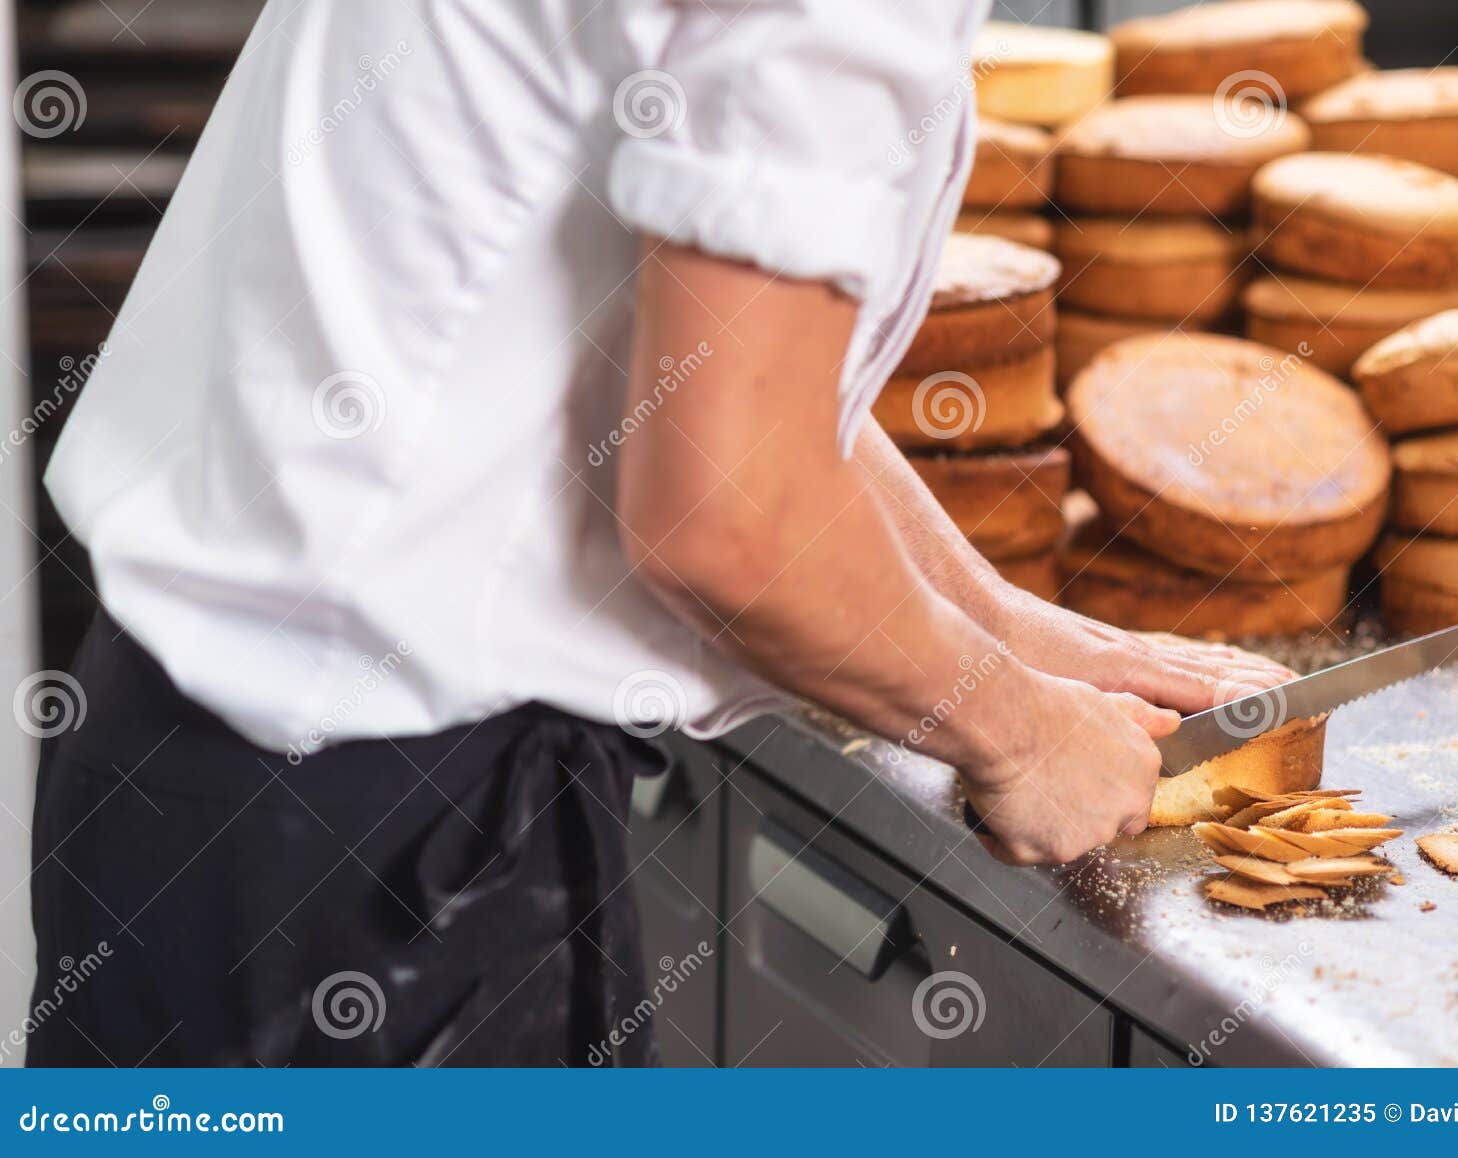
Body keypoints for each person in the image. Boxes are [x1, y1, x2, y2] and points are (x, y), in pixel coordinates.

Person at [27, 1, 1290, 1067]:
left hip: (195, 787)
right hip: (377, 872)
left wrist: (997, 625)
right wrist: (1016, 733)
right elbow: (726, 517)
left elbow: (700, 368)